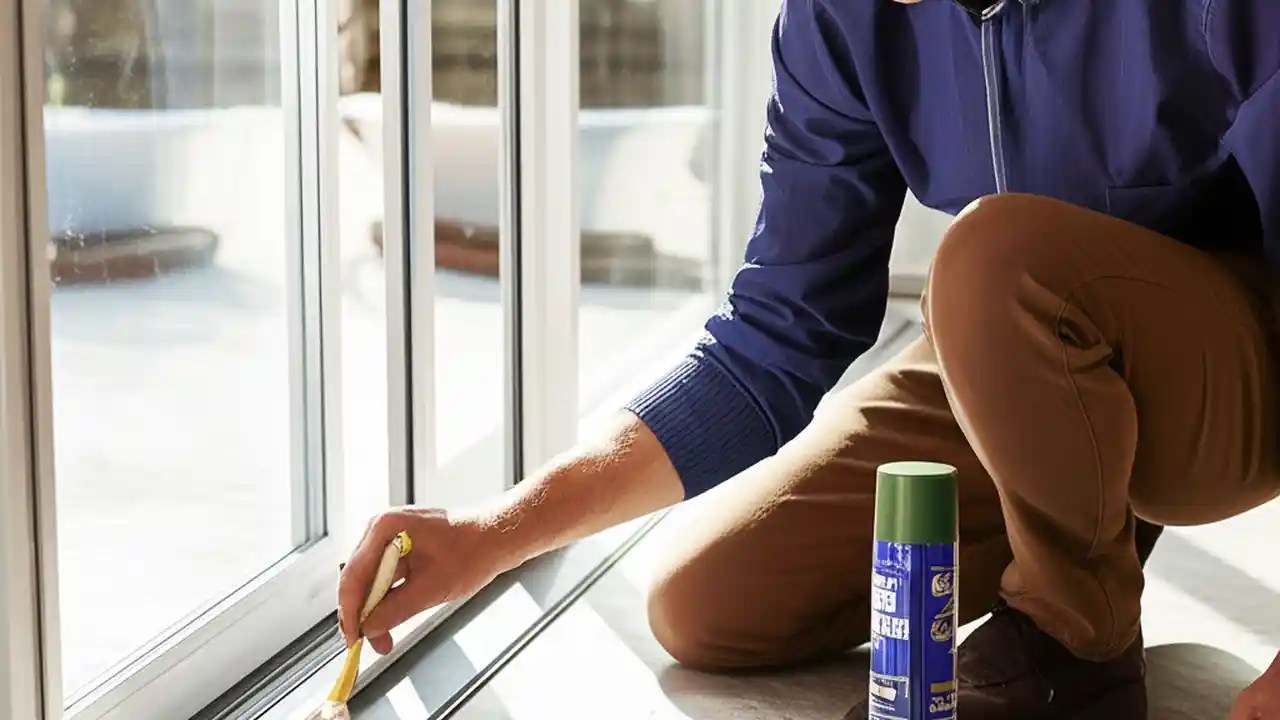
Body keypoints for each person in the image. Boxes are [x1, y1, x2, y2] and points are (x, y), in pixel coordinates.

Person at [338, 0, 1280, 716]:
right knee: (708, 604)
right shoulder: (841, 19)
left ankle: (1078, 653)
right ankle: (1081, 516)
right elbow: (773, 338)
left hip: (1237, 367)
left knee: (989, 256)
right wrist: (494, 536)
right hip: (1036, 354)